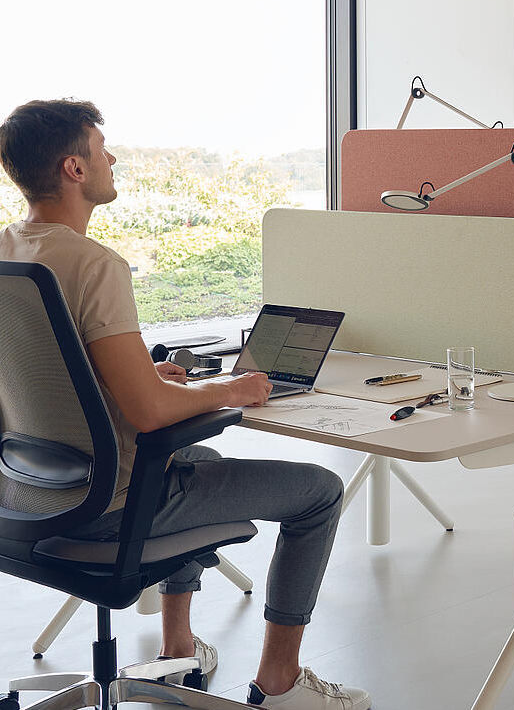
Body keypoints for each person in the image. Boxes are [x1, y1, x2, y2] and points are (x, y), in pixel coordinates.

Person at [0, 99, 371, 710]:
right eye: (100, 149)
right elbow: (147, 413)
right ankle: (281, 683)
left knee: (190, 452)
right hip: (108, 510)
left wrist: (143, 374)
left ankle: (178, 645)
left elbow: (43, 373)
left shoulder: (12, 253)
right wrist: (229, 389)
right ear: (74, 168)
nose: (111, 158)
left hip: (27, 496)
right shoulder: (95, 265)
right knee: (319, 491)